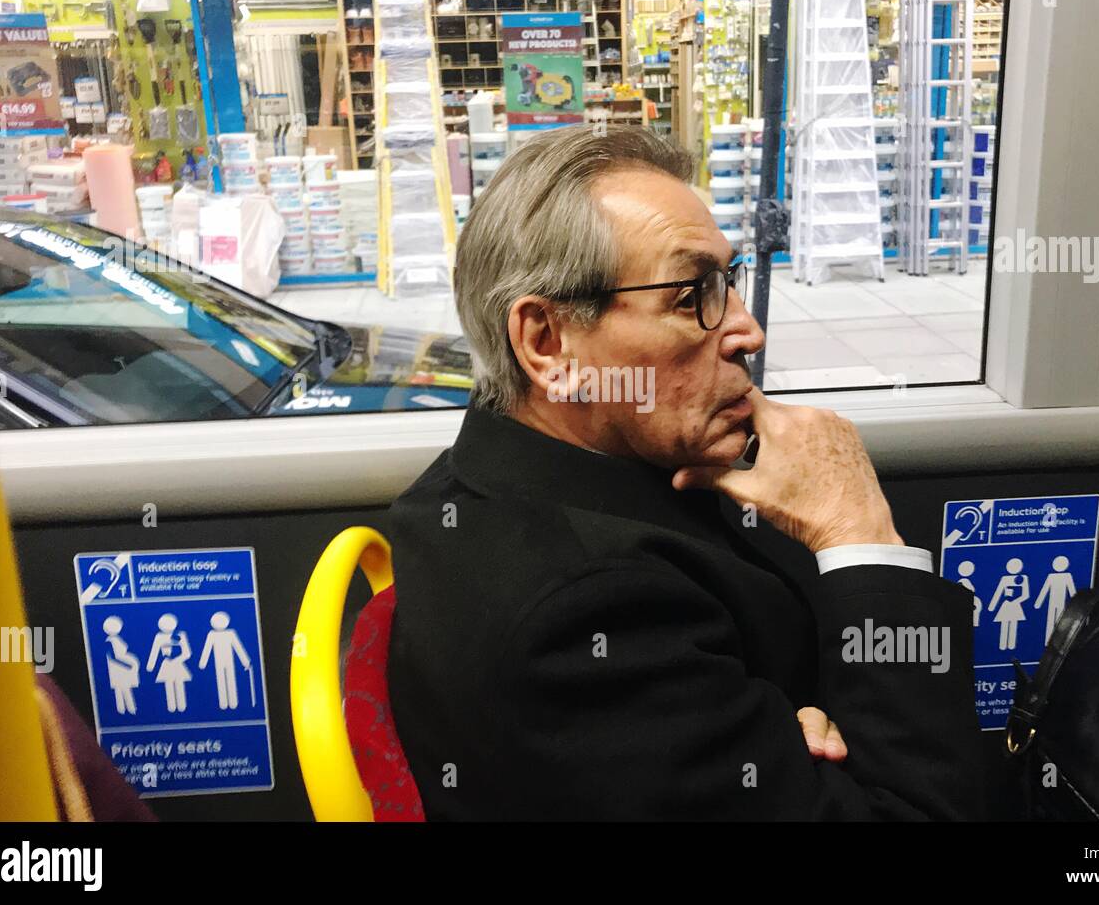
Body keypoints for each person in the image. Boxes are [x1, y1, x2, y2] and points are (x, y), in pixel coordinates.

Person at [387, 125, 985, 820]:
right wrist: (862, 534)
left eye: (727, 284)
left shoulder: (483, 478)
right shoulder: (585, 627)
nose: (747, 331)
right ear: (549, 344)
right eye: (690, 296)